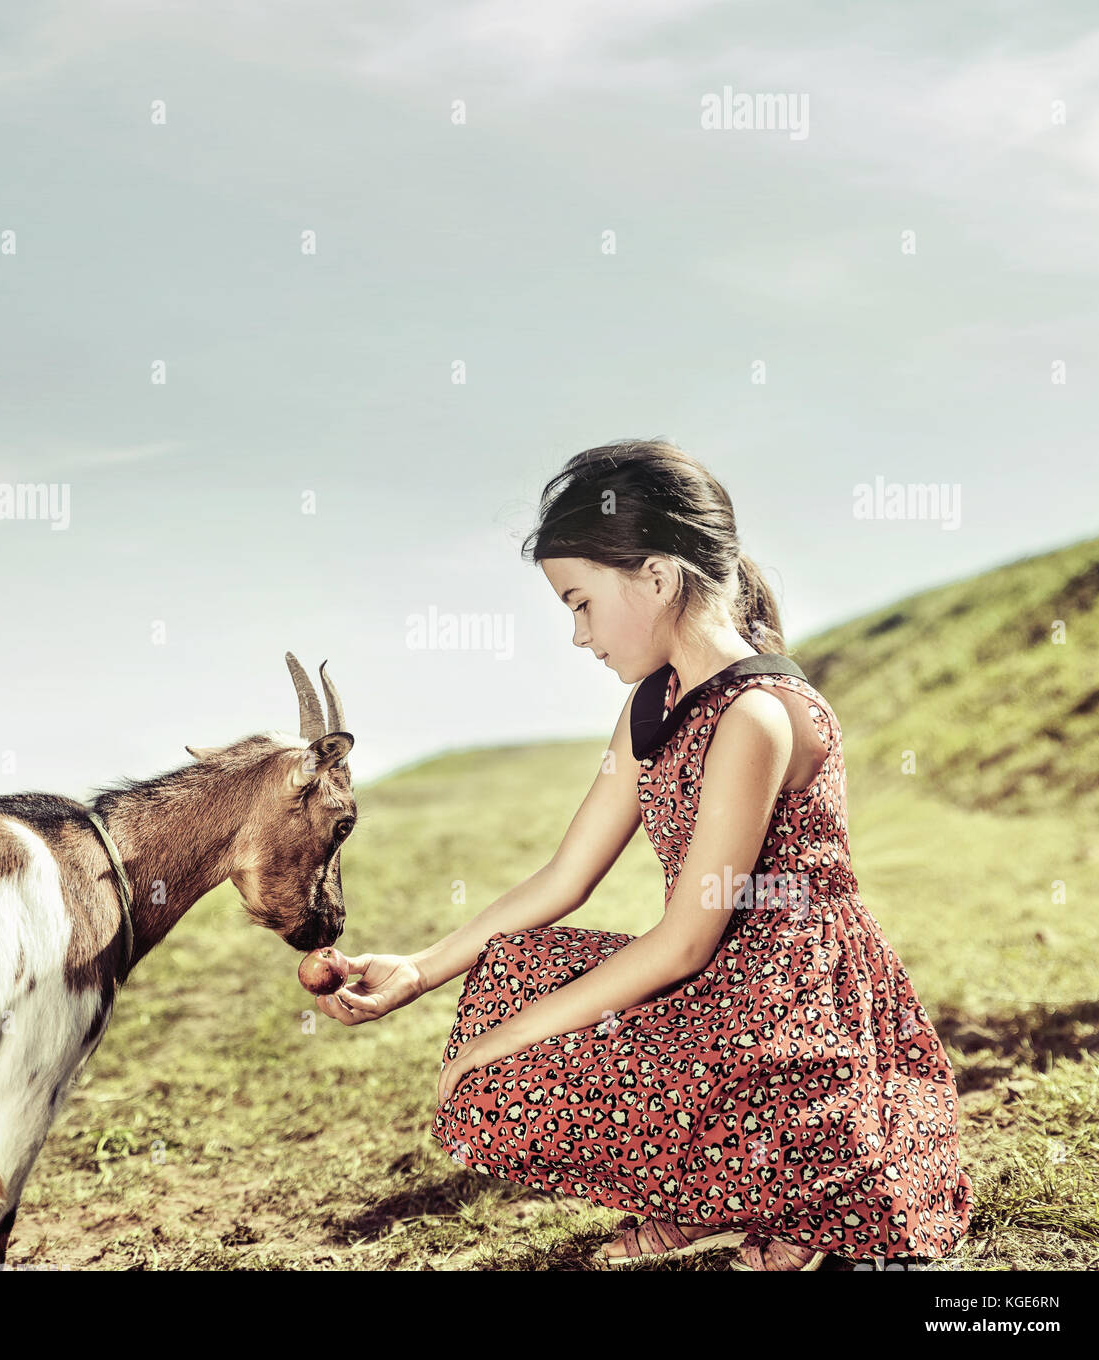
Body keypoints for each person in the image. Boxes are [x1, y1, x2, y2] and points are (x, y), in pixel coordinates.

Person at [316, 438, 973, 1271]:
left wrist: (500, 1042)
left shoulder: (757, 715)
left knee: (505, 1056)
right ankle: (710, 1195)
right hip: (718, 986)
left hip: (793, 1002)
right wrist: (418, 970)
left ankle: (797, 1200)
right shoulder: (652, 705)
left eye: (582, 603)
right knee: (514, 971)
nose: (578, 634)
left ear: (657, 577)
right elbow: (566, 877)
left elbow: (685, 943)